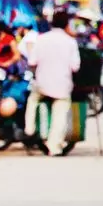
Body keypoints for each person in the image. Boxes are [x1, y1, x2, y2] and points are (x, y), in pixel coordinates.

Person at [25, 10, 81, 156]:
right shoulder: (70, 42)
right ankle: (54, 146)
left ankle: (29, 128)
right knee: (60, 113)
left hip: (42, 84)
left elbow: (32, 61)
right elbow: (75, 66)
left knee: (32, 100)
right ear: (66, 25)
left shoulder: (42, 39)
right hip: (62, 86)